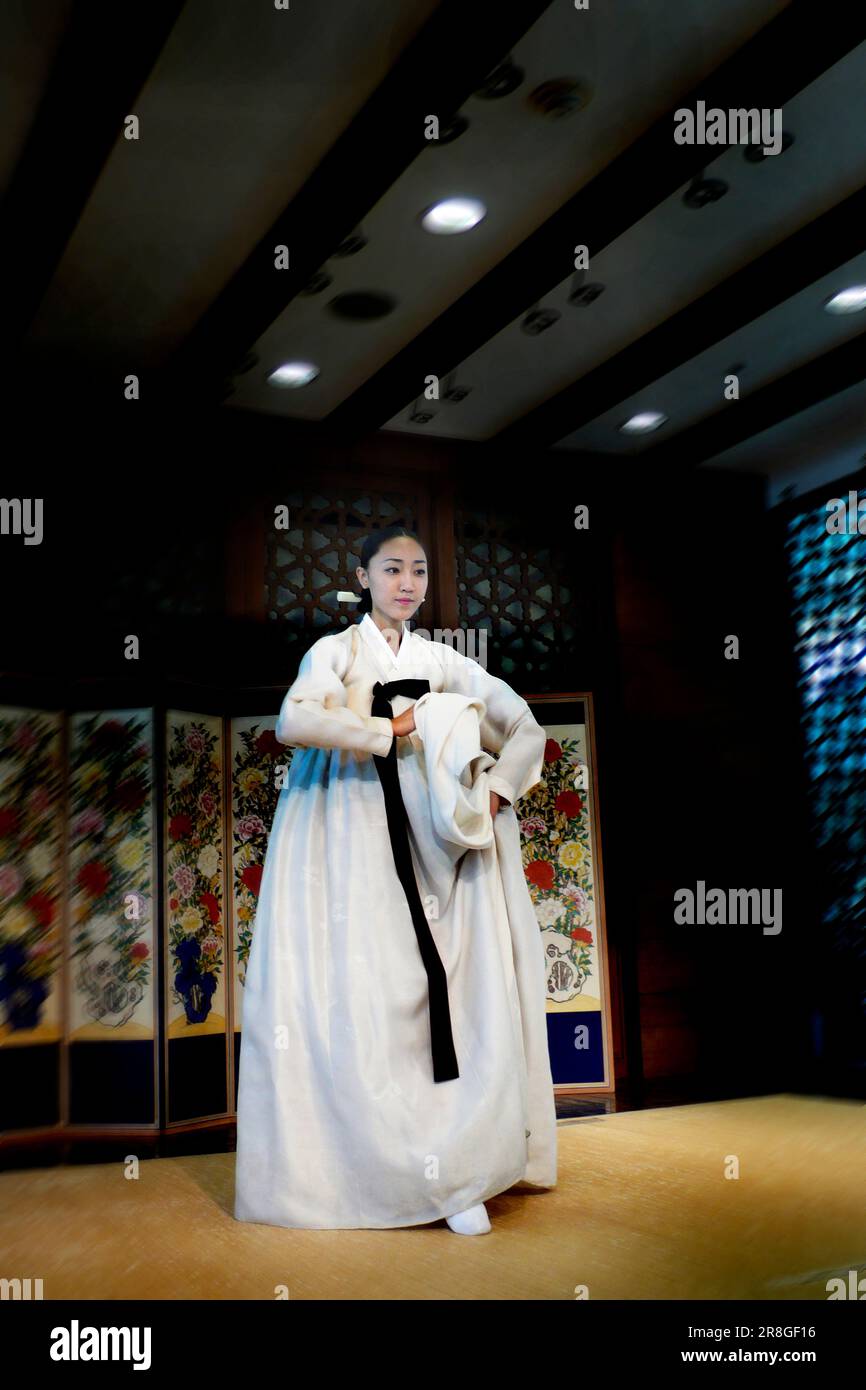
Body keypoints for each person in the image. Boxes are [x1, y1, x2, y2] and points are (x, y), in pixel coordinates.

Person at [234, 525, 557, 1233]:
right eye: (391, 570)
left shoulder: (444, 659)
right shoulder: (337, 651)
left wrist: (497, 792)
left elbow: (523, 725)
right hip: (348, 836)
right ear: (363, 576)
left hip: (439, 839)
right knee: (368, 991)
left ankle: (455, 1169)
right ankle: (359, 1168)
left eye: (416, 571)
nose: (406, 583)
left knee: (445, 991)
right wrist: (391, 730)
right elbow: (294, 718)